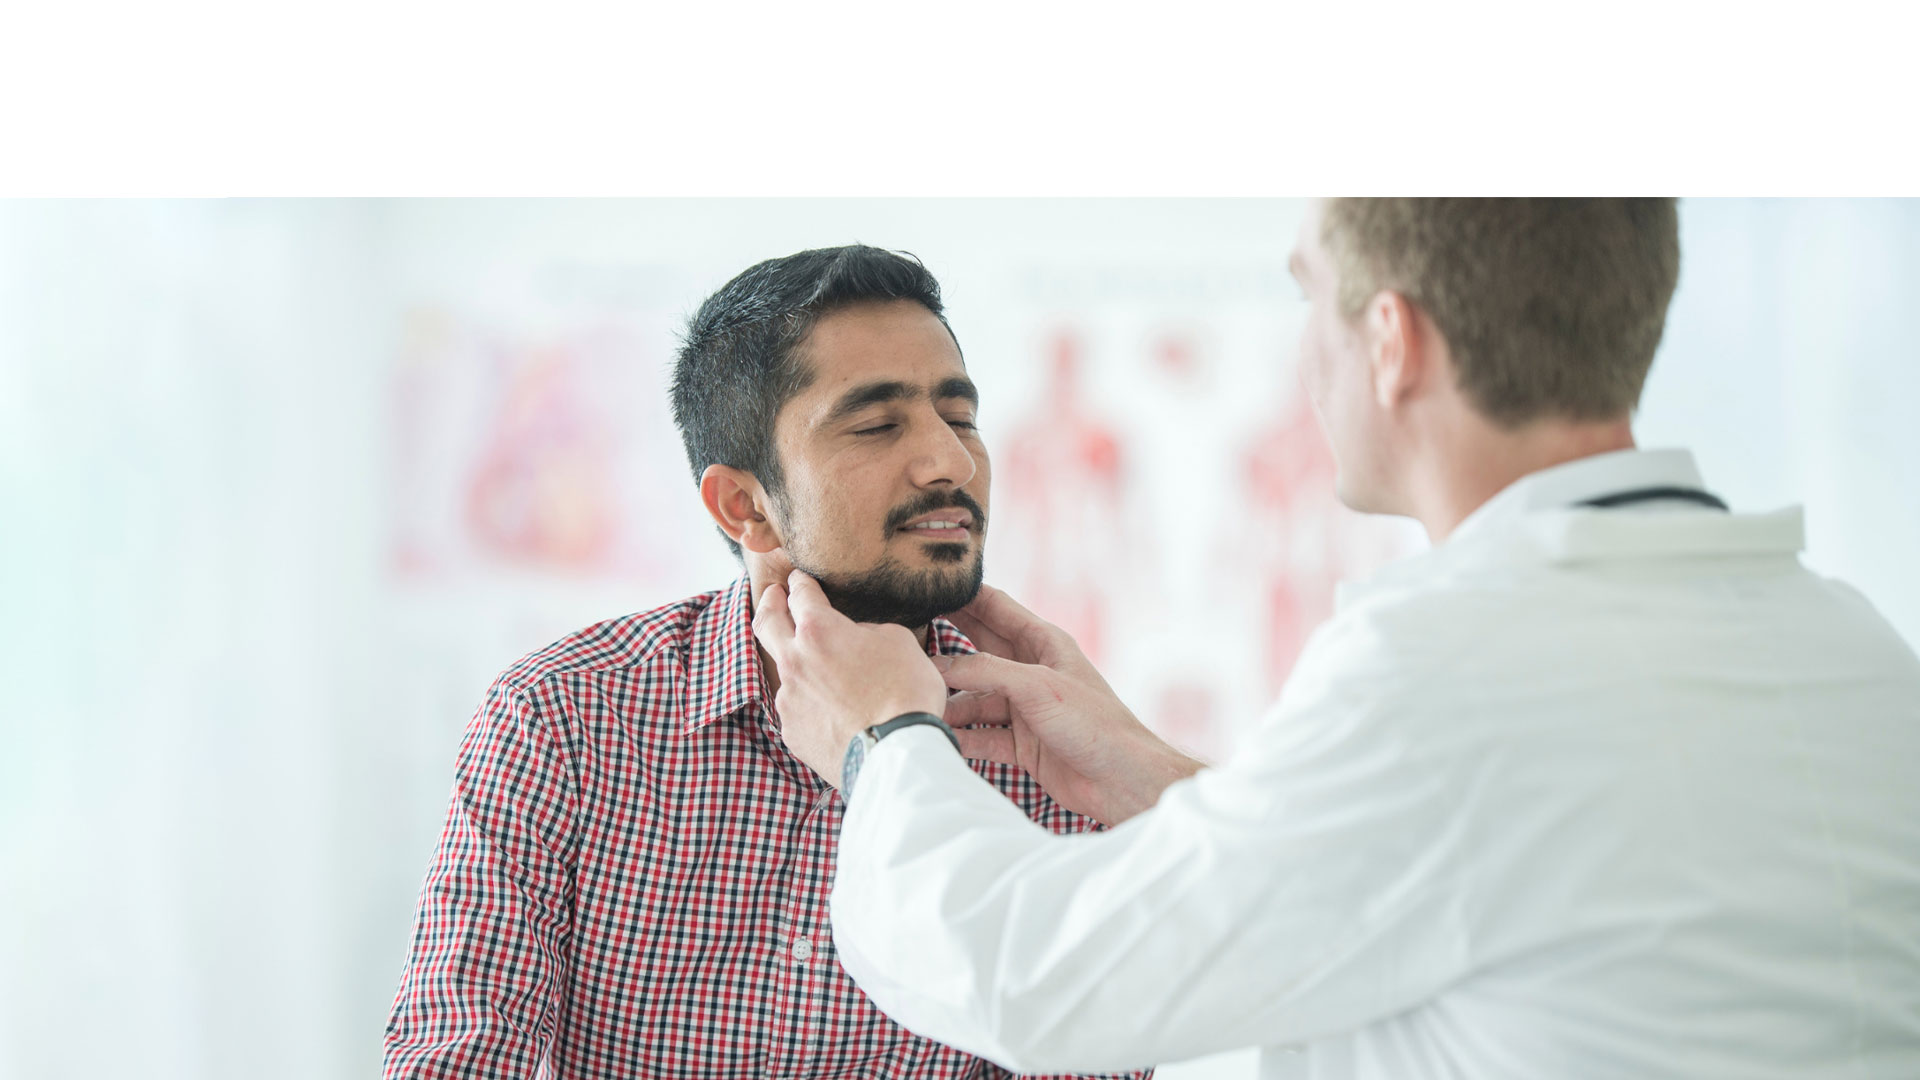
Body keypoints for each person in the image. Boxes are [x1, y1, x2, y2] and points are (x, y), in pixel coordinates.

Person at [755, 200, 1920, 1078]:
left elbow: (1019, 974)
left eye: (1310, 297)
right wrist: (1157, 778)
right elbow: (1501, 889)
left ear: (1392, 342)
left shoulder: (1456, 669)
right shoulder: (1853, 648)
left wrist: (884, 737)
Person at [382, 245, 1151, 1080]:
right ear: (744, 506)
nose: (952, 462)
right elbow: (453, 1057)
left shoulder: (1053, 751)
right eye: (877, 424)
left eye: (959, 417)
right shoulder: (562, 719)